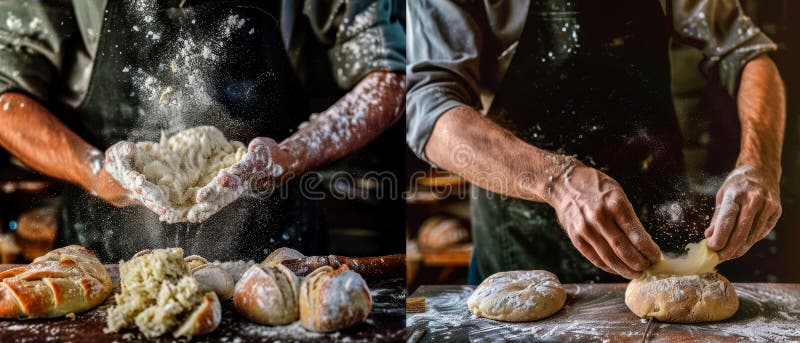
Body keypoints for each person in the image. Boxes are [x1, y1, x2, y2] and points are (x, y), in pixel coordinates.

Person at [407, 0, 784, 283]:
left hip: (658, 223)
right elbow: (430, 108)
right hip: (524, 238)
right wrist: (557, 181)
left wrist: (761, 163)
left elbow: (745, 52)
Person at [0, 0, 405, 262]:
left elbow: (390, 79)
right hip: (105, 267)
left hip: (277, 264)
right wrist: (92, 169)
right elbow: (5, 101)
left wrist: (291, 156)